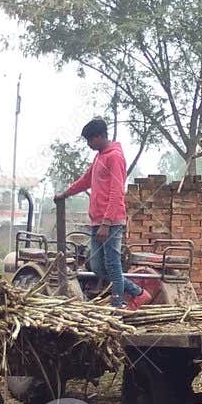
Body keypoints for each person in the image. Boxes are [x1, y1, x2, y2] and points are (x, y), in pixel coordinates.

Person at [56, 118, 151, 310]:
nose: (89, 145)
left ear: (99, 137)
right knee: (98, 266)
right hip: (96, 221)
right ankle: (138, 293)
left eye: (90, 140)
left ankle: (118, 305)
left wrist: (107, 223)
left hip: (111, 222)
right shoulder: (99, 156)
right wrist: (66, 194)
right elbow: (86, 180)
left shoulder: (114, 156)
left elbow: (117, 192)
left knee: (113, 264)